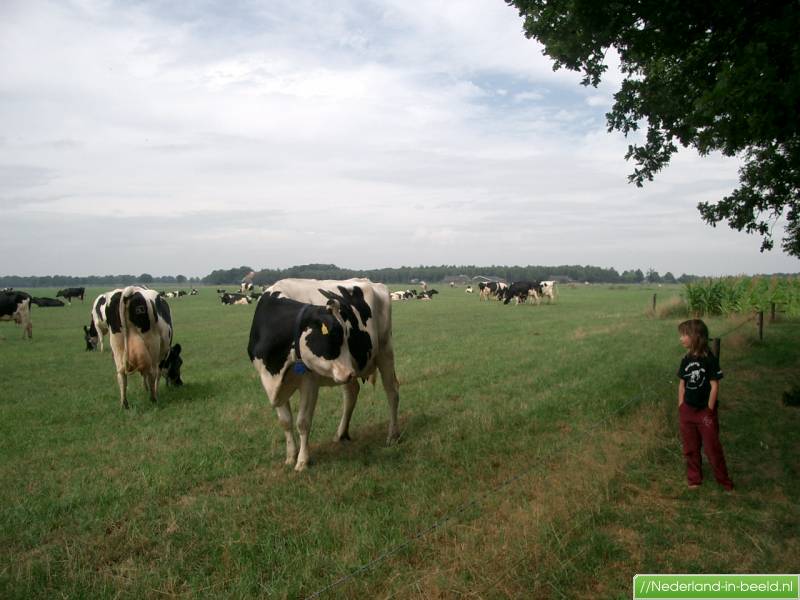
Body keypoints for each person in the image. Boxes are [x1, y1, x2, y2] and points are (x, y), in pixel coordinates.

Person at [677, 319, 734, 491]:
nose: (681, 338)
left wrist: (709, 409)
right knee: (690, 447)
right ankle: (694, 479)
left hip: (704, 413)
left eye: (684, 335)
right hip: (688, 411)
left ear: (696, 337)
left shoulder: (709, 360)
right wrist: (681, 405)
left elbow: (715, 385)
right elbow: (682, 384)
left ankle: (723, 480)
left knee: (712, 447)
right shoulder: (685, 360)